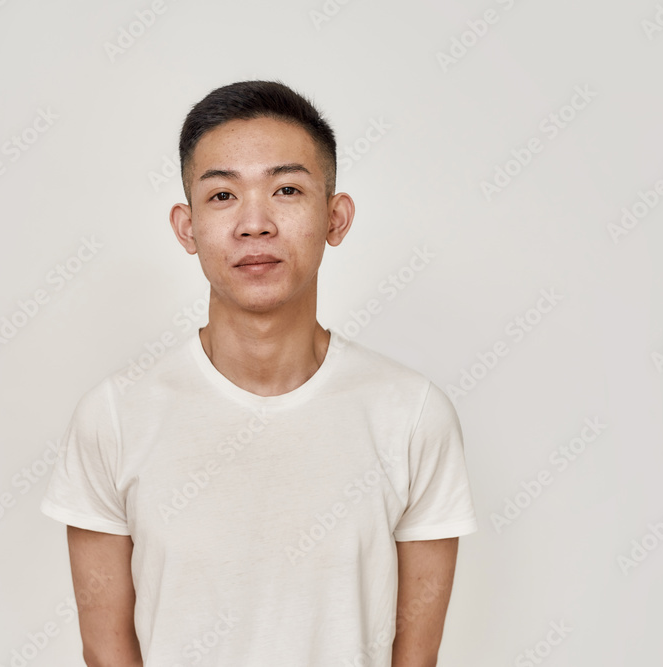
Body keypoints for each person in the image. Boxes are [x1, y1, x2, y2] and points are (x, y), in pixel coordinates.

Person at [40, 80, 478, 667]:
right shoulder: (116, 416)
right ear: (186, 227)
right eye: (222, 196)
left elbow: (415, 657)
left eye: (287, 189)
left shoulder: (412, 414)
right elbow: (105, 648)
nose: (255, 223)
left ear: (336, 218)